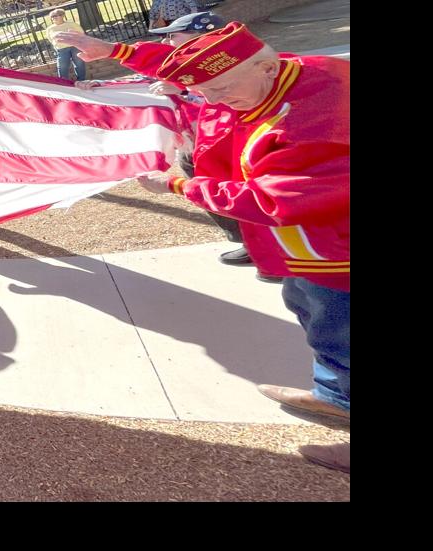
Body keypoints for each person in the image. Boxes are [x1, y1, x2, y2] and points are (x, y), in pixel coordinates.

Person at [130, 24, 350, 462]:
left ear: (267, 68)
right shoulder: (283, 76)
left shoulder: (318, 119)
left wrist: (180, 185)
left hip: (336, 249)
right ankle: (336, 396)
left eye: (220, 89)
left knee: (339, 328)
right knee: (313, 312)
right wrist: (119, 53)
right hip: (313, 247)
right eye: (202, 92)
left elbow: (273, 199)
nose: (212, 101)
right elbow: (197, 68)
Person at [60, 12, 256, 273]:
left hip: (228, 143)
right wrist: (101, 84)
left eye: (173, 36)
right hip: (195, 143)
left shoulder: (232, 63)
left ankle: (260, 243)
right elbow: (146, 81)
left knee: (233, 191)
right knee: (206, 192)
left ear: (200, 36)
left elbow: (237, 99)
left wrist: (186, 89)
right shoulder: (178, 66)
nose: (166, 42)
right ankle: (246, 240)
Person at [44, 8, 87, 82]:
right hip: (61, 49)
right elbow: (50, 39)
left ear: (62, 15)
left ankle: (81, 80)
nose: (54, 18)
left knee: (79, 64)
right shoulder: (49, 29)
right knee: (62, 66)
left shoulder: (72, 24)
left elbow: (81, 33)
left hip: (75, 47)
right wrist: (56, 45)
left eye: (56, 16)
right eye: (52, 16)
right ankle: (63, 82)